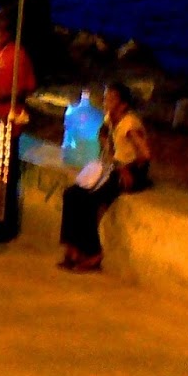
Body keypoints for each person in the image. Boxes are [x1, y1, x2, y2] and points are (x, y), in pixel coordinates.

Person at [58, 82, 152, 273]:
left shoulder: (129, 125)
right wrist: (108, 151)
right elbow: (103, 132)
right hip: (115, 168)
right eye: (105, 97)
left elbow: (144, 154)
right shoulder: (111, 118)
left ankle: (93, 253)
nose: (105, 101)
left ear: (123, 105)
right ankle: (72, 247)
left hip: (130, 173)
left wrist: (126, 168)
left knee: (90, 201)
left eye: (111, 99)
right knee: (71, 193)